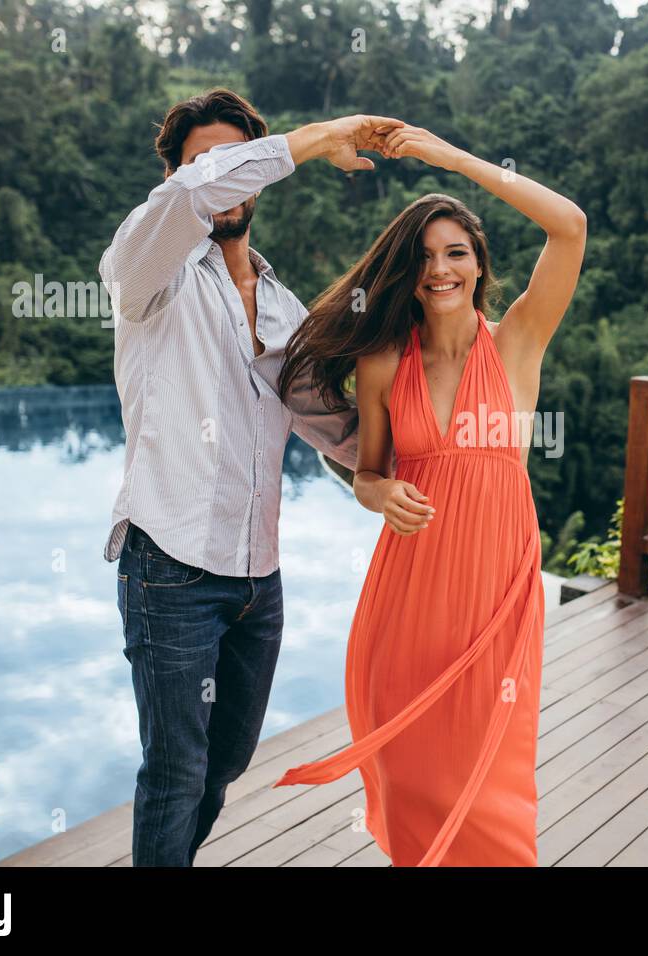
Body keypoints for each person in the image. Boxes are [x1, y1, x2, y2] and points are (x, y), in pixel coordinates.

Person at [99, 87, 403, 866]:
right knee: (174, 772)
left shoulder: (279, 304)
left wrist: (414, 467)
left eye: (239, 162)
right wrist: (320, 132)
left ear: (259, 183)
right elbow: (196, 193)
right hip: (168, 566)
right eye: (205, 160)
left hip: (255, 581)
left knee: (223, 766)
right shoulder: (148, 270)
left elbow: (327, 422)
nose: (225, 177)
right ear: (173, 172)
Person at [272, 123, 587, 865]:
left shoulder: (517, 343)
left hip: (496, 595)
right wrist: (378, 496)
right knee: (412, 778)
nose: (439, 270)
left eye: (455, 253)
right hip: (407, 599)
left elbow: (568, 226)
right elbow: (372, 472)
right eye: (422, 258)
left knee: (489, 784)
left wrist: (446, 158)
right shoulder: (384, 362)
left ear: (479, 265)